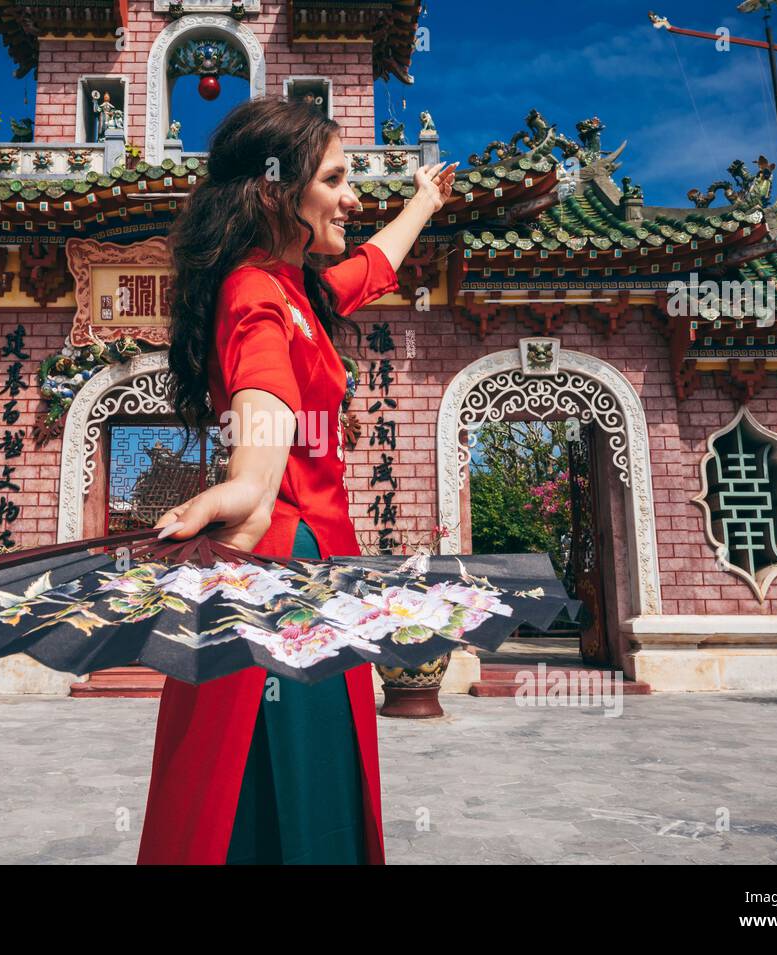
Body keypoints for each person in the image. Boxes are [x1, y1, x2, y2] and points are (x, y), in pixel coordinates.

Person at [137, 97, 455, 865]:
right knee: (286, 799)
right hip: (280, 573)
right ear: (279, 192)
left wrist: (424, 200)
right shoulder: (255, 293)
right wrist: (247, 484)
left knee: (296, 788)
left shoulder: (300, 292)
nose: (353, 197)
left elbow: (374, 267)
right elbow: (265, 405)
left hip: (317, 564)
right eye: (337, 178)